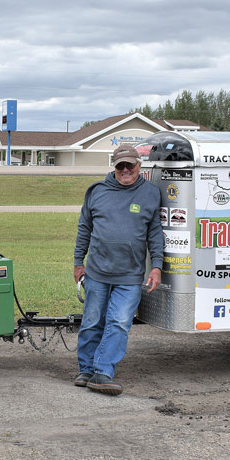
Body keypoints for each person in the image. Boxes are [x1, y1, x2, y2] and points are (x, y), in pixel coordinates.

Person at [73, 143, 163, 395]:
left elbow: (155, 231)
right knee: (92, 322)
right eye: (120, 165)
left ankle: (103, 372)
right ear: (114, 167)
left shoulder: (150, 193)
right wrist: (78, 262)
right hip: (97, 271)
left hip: (130, 275)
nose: (125, 170)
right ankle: (86, 369)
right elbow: (84, 228)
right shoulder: (97, 191)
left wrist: (157, 266)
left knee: (120, 322)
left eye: (130, 165)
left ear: (138, 166)